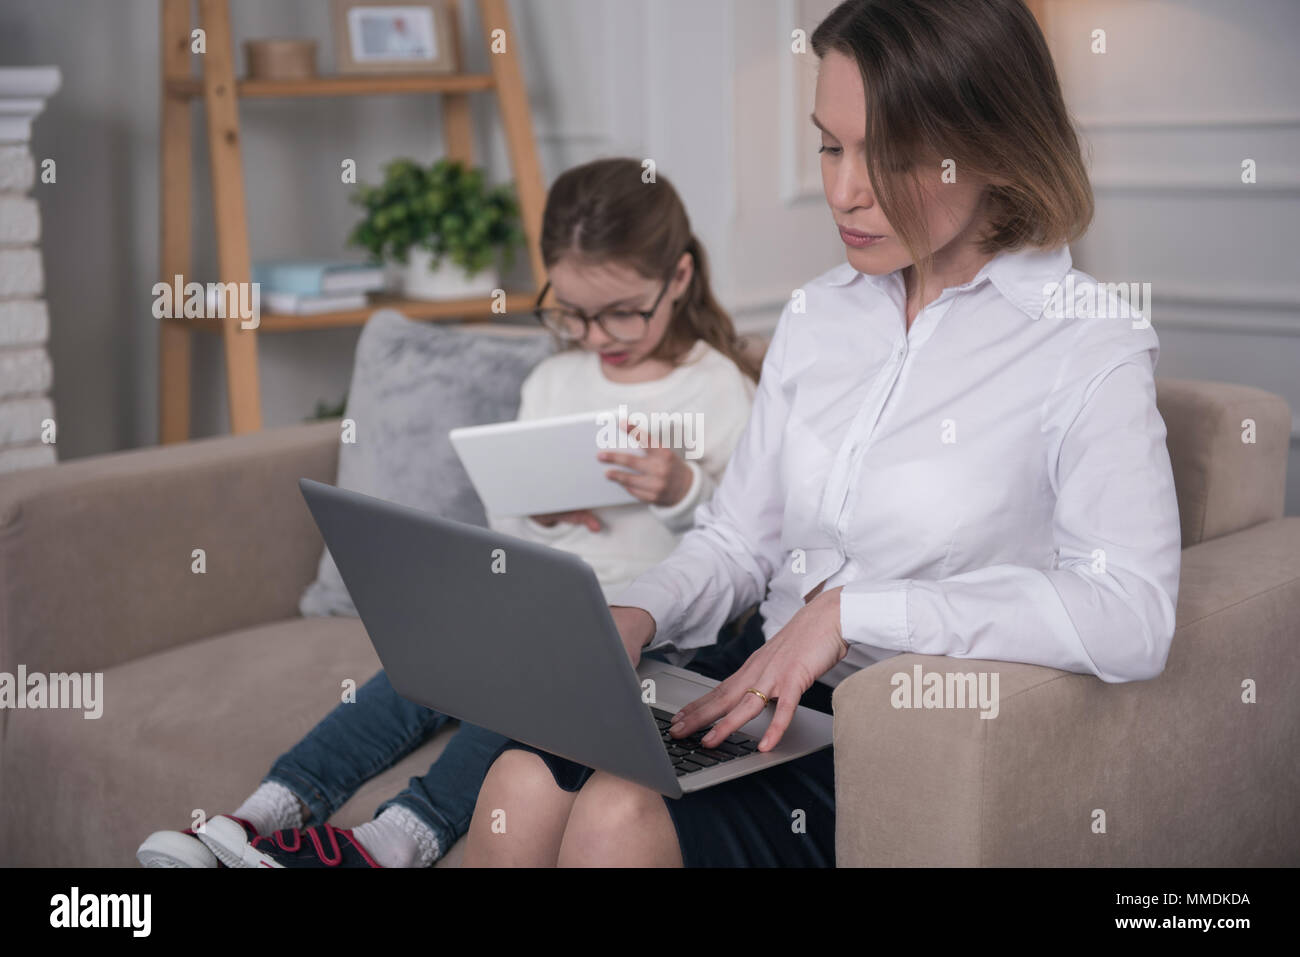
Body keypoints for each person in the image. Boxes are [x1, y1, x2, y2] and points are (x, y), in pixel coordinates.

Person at [464, 0, 1183, 868]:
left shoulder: (1086, 344)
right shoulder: (818, 315)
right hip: (747, 673)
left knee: (618, 816)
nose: (844, 190)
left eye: (890, 155)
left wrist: (852, 612)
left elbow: (1132, 615)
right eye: (830, 145)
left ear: (993, 146)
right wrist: (636, 608)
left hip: (893, 725)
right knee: (516, 786)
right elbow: (737, 540)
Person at [135, 157, 759, 868]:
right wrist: (547, 518)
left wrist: (679, 486)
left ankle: (395, 837)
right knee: (417, 668)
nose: (597, 334)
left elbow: (741, 546)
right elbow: (513, 529)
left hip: (648, 639)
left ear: (678, 279)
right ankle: (255, 816)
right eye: (575, 312)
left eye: (622, 311)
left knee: (530, 696)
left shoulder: (718, 390)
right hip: (540, 600)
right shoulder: (555, 381)